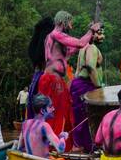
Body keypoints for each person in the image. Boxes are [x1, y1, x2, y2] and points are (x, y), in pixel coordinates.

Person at [38, 10, 100, 140]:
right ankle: (53, 146)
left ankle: (55, 144)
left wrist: (89, 37)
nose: (70, 26)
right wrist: (91, 31)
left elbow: (72, 50)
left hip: (51, 79)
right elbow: (80, 44)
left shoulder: (52, 38)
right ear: (62, 21)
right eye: (69, 22)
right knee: (56, 113)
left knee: (59, 112)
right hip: (52, 80)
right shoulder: (56, 34)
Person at [69, 24, 104, 151]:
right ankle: (87, 147)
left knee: (80, 117)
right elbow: (90, 66)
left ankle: (79, 146)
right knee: (88, 118)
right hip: (85, 85)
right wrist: (99, 86)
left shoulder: (83, 47)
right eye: (99, 33)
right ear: (93, 34)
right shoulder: (92, 47)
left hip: (78, 84)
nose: (102, 36)